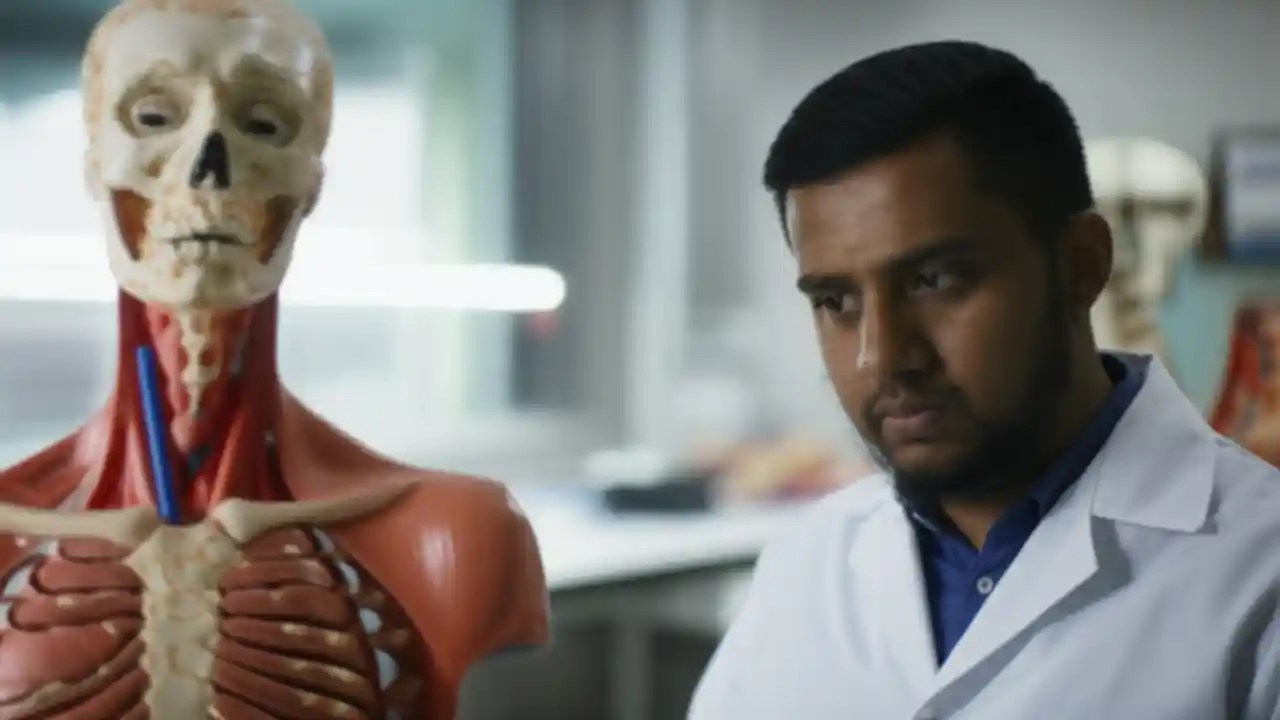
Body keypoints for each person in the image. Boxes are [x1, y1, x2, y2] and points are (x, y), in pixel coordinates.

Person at [689, 40, 1280, 719]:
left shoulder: (1260, 577)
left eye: (935, 280)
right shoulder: (803, 568)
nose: (880, 358)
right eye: (836, 302)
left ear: (1082, 266)